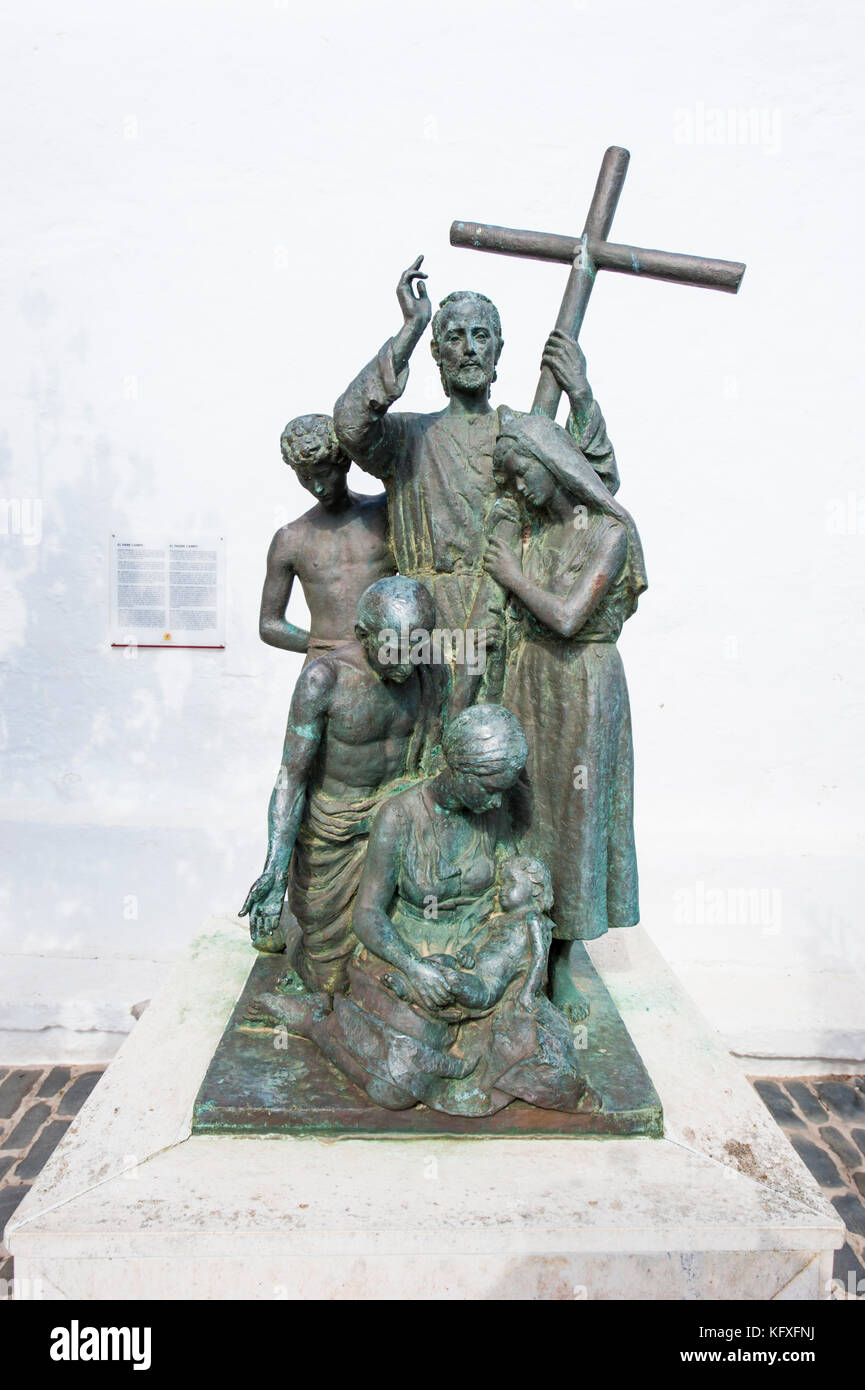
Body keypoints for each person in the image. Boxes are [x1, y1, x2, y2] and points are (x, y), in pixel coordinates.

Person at [251, 706, 598, 1118]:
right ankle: (316, 1021)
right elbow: (368, 915)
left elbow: (516, 884)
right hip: (406, 956)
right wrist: (414, 967)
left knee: (545, 1060)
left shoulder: (494, 810)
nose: (497, 800)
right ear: (461, 774)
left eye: (503, 789)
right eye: (489, 788)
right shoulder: (399, 816)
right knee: (396, 1087)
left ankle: (465, 1050)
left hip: (480, 959)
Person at [333, 257, 617, 711]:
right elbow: (349, 425)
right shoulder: (408, 436)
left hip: (508, 617)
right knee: (432, 757)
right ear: (437, 352)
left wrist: (580, 394)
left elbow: (597, 490)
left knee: (500, 762)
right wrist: (410, 329)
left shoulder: (524, 433)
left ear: (498, 349)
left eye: (480, 336)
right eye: (454, 337)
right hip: (425, 627)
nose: (469, 348)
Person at [484, 411, 647, 942]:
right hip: (531, 677)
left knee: (576, 811)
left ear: (551, 463)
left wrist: (511, 575)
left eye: (521, 471)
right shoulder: (535, 533)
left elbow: (570, 618)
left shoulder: (608, 531)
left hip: (583, 684)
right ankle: (522, 932)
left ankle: (565, 949)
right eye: (506, 476)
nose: (517, 485)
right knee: (530, 805)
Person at [240, 577, 441, 985]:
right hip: (332, 835)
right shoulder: (324, 679)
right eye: (393, 650)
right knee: (332, 977)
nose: (405, 664)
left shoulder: (430, 673)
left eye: (415, 649)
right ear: (363, 635)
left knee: (405, 960)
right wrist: (275, 869)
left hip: (395, 829)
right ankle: (306, 942)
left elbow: (431, 764)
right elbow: (291, 778)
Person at [258, 414, 394, 664]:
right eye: (306, 478)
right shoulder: (290, 539)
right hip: (324, 664)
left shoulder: (385, 513)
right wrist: (322, 646)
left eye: (323, 474)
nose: (318, 487)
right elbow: (269, 625)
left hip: (384, 663)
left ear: (343, 463)